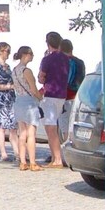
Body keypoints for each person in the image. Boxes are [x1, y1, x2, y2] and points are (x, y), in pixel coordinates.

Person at [38, 32, 70, 169]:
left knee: (51, 128)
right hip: (62, 94)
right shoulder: (66, 58)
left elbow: (41, 77)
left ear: (48, 43)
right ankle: (56, 157)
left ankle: (56, 158)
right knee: (54, 127)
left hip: (50, 94)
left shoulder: (47, 59)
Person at [11, 46, 43, 171]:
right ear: (25, 54)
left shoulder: (14, 70)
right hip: (29, 103)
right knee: (31, 134)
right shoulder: (26, 71)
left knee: (22, 133)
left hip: (18, 101)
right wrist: (41, 98)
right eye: (31, 54)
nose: (32, 56)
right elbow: (33, 89)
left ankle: (23, 161)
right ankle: (33, 162)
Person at [0, 42, 18, 162]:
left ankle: (17, 152)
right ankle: (3, 153)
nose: (8, 54)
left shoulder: (8, 67)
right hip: (0, 99)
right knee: (1, 126)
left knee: (13, 126)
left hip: (10, 98)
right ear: (1, 51)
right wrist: (9, 87)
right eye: (7, 51)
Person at [60, 37, 88, 141]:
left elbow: (66, 80)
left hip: (66, 96)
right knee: (74, 123)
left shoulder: (65, 62)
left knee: (65, 125)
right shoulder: (80, 62)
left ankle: (67, 147)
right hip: (77, 96)